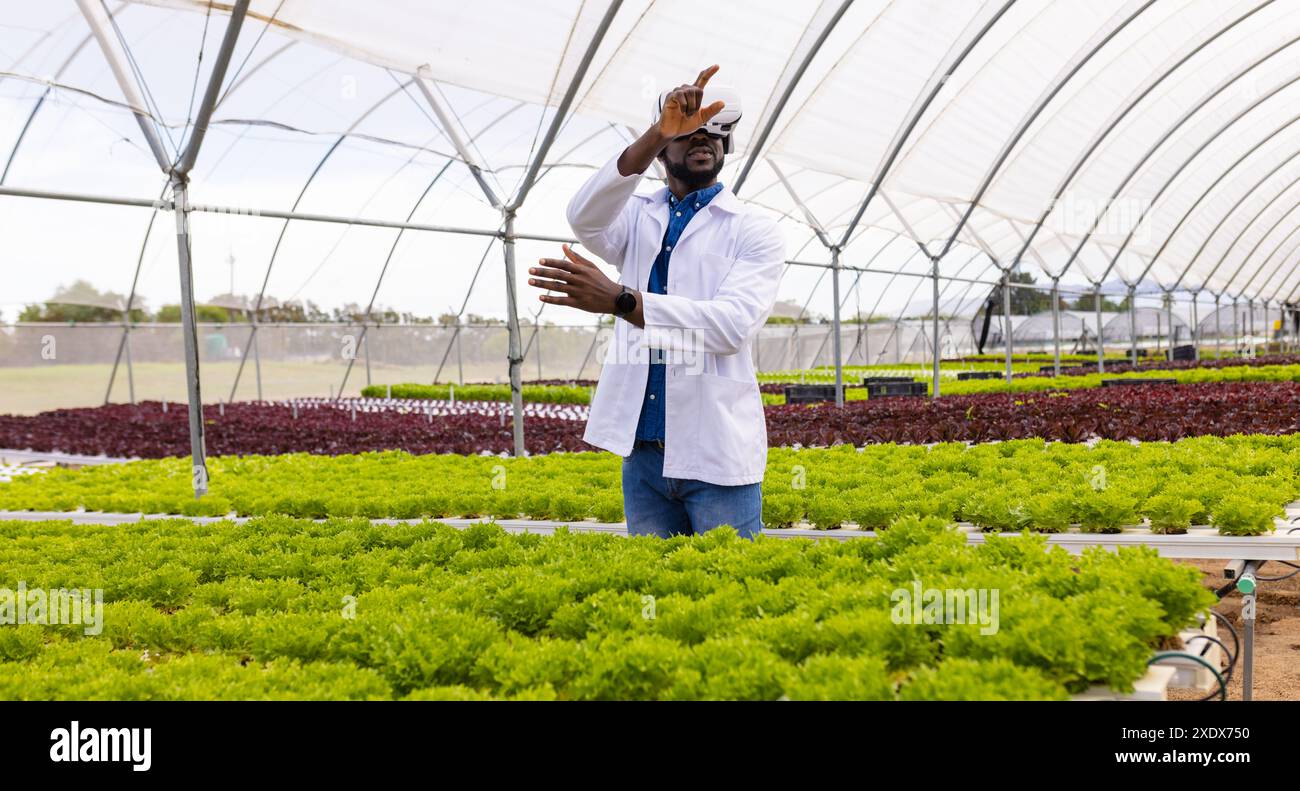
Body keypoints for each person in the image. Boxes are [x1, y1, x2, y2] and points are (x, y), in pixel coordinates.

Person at [527, 65, 785, 539]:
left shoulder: (754, 229)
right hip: (643, 456)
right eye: (686, 134)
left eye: (712, 132)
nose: (701, 138)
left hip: (716, 454)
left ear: (726, 147)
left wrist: (620, 300)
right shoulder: (637, 219)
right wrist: (657, 131)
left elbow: (730, 327)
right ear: (663, 152)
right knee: (655, 589)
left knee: (729, 594)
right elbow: (584, 219)